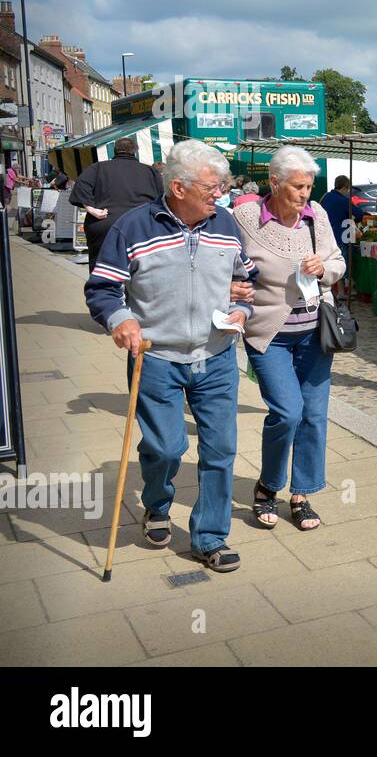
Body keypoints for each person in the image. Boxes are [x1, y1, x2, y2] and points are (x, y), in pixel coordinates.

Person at [84, 140, 255, 573]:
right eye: (213, 186)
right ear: (179, 187)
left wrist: (243, 308)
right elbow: (103, 288)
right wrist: (121, 319)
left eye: (223, 186)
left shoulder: (227, 225)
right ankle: (157, 505)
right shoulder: (133, 227)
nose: (221, 194)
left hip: (215, 357)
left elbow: (246, 280)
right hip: (155, 357)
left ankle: (210, 537)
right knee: (165, 447)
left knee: (220, 450)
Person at [233, 146, 346, 531]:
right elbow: (230, 265)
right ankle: (267, 486)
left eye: (309, 186)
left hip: (315, 334)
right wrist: (236, 290)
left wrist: (324, 268)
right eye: (298, 186)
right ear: (275, 182)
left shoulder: (318, 216)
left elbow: (338, 261)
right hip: (270, 335)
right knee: (287, 411)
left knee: (314, 415)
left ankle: (302, 494)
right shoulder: (247, 218)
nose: (305, 194)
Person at [69, 138, 164, 272]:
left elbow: (81, 188)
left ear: (115, 150)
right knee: (141, 270)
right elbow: (162, 199)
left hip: (105, 223)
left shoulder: (98, 168)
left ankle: (104, 290)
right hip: (140, 225)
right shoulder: (150, 171)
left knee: (102, 269)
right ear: (135, 151)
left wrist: (93, 210)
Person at [320, 174, 353, 276]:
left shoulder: (326, 197)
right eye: (348, 190)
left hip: (326, 237)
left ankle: (340, 290)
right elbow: (359, 214)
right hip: (340, 237)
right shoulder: (343, 200)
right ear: (343, 188)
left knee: (331, 264)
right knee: (341, 264)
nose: (348, 192)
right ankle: (343, 290)